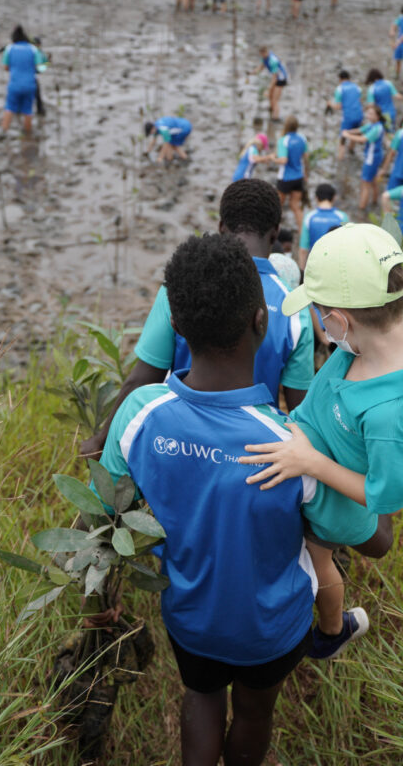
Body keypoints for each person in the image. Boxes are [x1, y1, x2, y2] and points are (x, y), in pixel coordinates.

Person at [97, 233, 316, 766]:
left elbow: (104, 517)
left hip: (190, 618)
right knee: (256, 713)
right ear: (261, 322)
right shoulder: (294, 446)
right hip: (271, 629)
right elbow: (350, 532)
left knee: (200, 694)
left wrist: (95, 604)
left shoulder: (139, 416)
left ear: (175, 325)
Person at [240, 223, 403, 659]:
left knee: (317, 558)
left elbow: (386, 495)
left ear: (339, 322)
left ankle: (331, 630)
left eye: (320, 314)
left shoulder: (387, 413)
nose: (320, 323)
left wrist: (311, 462)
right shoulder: (365, 344)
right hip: (310, 448)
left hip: (337, 502)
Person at [81, 178, 314, 459]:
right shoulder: (294, 307)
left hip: (174, 443)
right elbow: (300, 410)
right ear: (275, 233)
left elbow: (142, 379)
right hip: (253, 454)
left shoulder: (182, 284)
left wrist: (102, 439)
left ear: (221, 227)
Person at [339, 104, 386, 212]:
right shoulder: (373, 125)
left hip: (371, 158)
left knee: (365, 183)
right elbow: (360, 130)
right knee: (373, 180)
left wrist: (347, 136)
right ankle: (375, 202)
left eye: (371, 114)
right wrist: (348, 131)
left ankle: (361, 208)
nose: (368, 115)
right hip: (375, 155)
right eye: (368, 113)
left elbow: (363, 139)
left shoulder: (377, 128)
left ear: (377, 116)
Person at [298, 183, 349, 271]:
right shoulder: (342, 217)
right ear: (334, 198)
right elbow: (348, 243)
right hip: (336, 265)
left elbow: (303, 249)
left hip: (315, 264)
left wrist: (302, 272)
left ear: (316, 198)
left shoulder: (309, 217)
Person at [0, 26, 40, 136]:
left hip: (14, 84)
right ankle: (28, 135)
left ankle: (3, 131)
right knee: (28, 110)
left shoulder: (9, 49)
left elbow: (5, 67)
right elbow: (39, 67)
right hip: (30, 84)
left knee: (9, 108)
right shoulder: (33, 49)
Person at [274, 116, 309, 233]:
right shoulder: (302, 138)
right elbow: (306, 157)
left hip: (285, 178)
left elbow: (283, 160)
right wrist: (306, 174)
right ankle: (302, 232)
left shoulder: (283, 140)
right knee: (296, 206)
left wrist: (273, 159)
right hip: (298, 177)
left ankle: (274, 231)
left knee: (278, 206)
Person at [327, 70, 363, 159]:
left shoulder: (340, 89)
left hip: (348, 116)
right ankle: (351, 150)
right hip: (359, 114)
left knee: (343, 138)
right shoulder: (357, 87)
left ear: (340, 79)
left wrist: (330, 104)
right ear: (349, 78)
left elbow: (338, 106)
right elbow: (359, 101)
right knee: (354, 133)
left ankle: (340, 158)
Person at [254, 47, 289, 122]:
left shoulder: (273, 61)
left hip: (281, 79)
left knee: (274, 99)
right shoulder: (264, 58)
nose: (262, 56)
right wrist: (253, 72)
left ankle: (276, 118)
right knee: (270, 96)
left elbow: (274, 78)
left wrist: (268, 90)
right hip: (275, 78)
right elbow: (261, 67)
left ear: (266, 52)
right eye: (261, 55)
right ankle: (271, 110)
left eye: (263, 54)